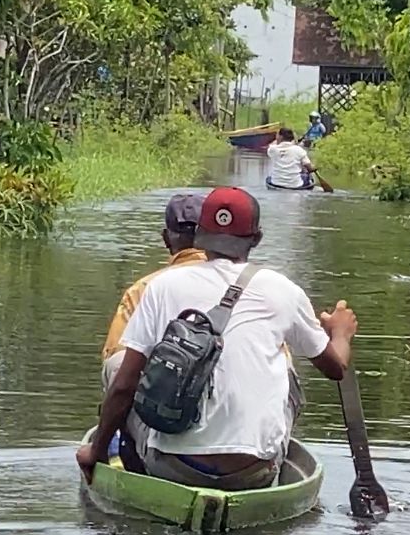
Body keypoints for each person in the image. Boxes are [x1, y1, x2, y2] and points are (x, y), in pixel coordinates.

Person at [77, 187, 357, 491]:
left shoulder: (161, 286)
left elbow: (124, 387)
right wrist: (340, 333)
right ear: (257, 239)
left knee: (120, 366)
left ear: (200, 236)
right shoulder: (284, 290)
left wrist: (97, 450)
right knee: (284, 366)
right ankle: (261, 448)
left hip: (173, 468)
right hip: (254, 472)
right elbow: (335, 368)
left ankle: (138, 473)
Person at [100, 193, 206, 388]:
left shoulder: (143, 289)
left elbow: (116, 360)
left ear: (166, 238)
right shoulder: (248, 290)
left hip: (160, 402)